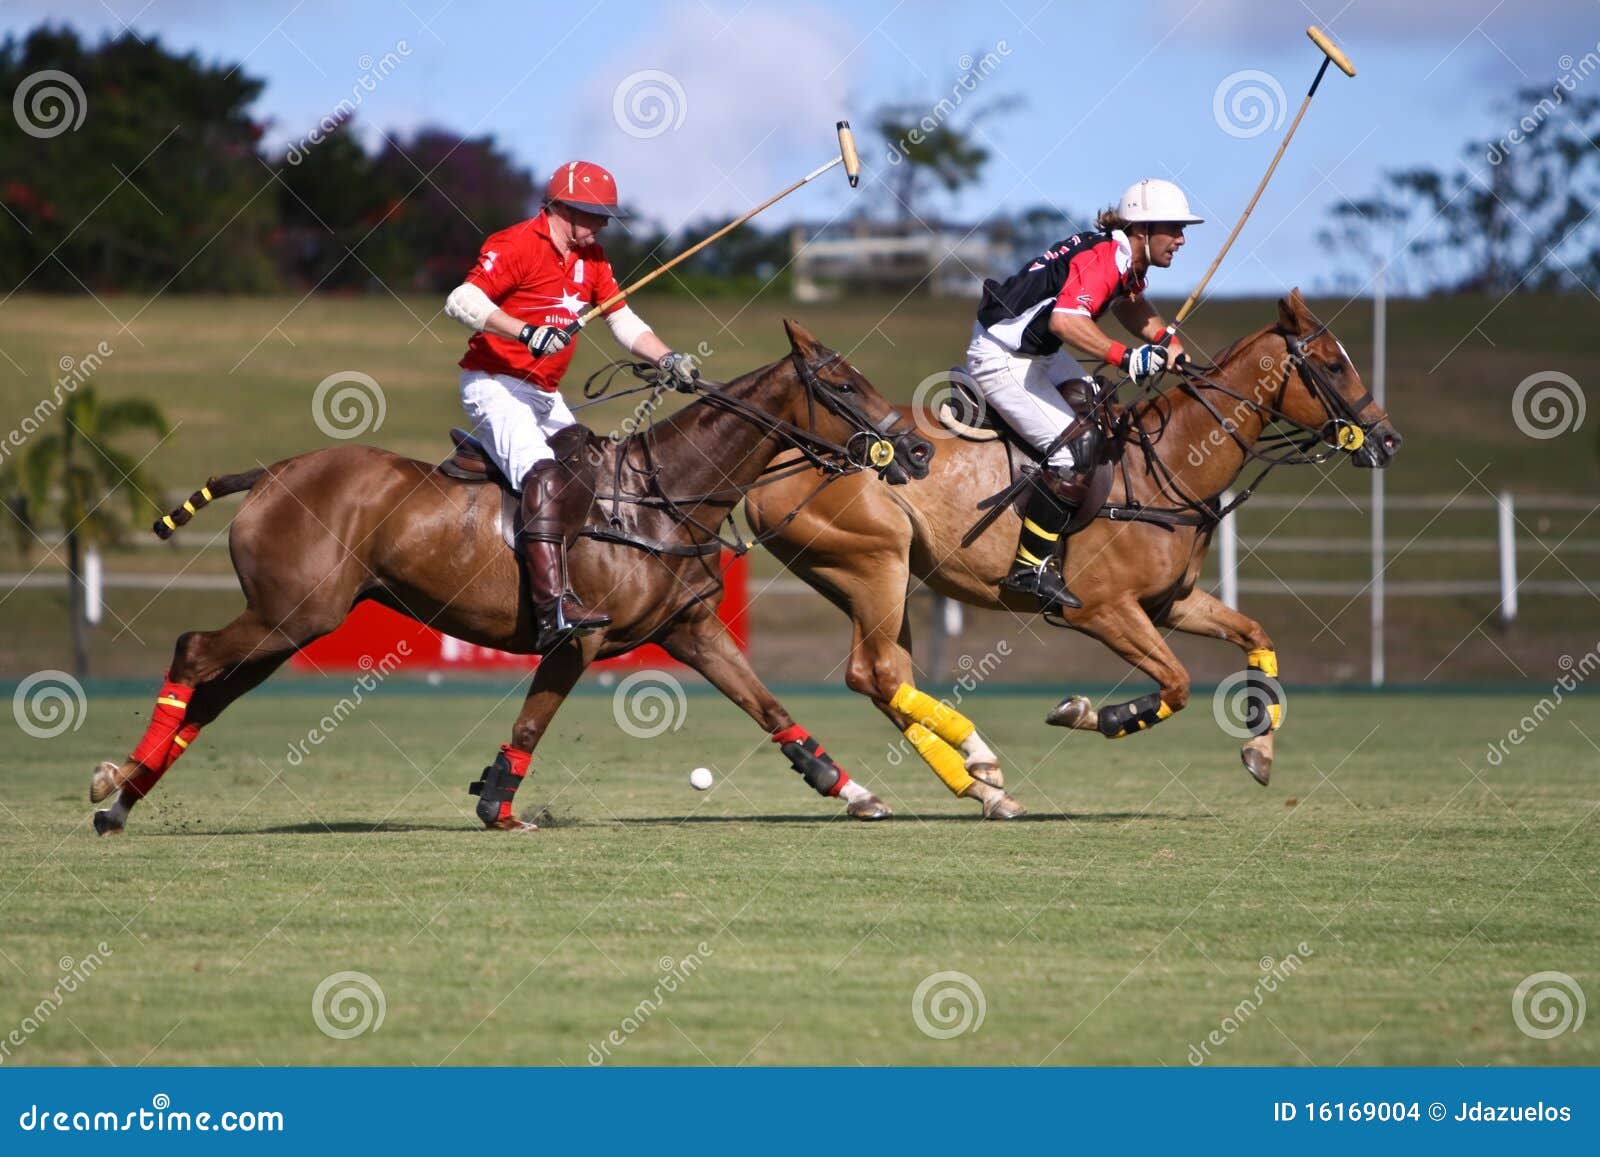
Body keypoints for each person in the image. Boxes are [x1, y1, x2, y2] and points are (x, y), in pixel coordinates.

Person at [444, 160, 698, 652]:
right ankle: (553, 605)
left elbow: (623, 323)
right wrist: (526, 331)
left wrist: (667, 357)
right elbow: (462, 300)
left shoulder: (594, 260)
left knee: (592, 471)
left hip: (543, 394)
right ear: (562, 207)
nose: (601, 224)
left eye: (605, 216)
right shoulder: (515, 244)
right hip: (495, 383)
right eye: (593, 214)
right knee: (544, 473)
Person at [967, 178, 1202, 611]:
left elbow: (1128, 304)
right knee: (1071, 452)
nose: (1182, 239)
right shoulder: (1107, 257)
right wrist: (1126, 357)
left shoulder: (1126, 259)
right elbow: (1065, 322)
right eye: (1173, 228)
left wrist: (1167, 342)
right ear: (1143, 230)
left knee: (1102, 412)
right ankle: (1029, 566)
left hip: (1038, 354)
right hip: (1003, 357)